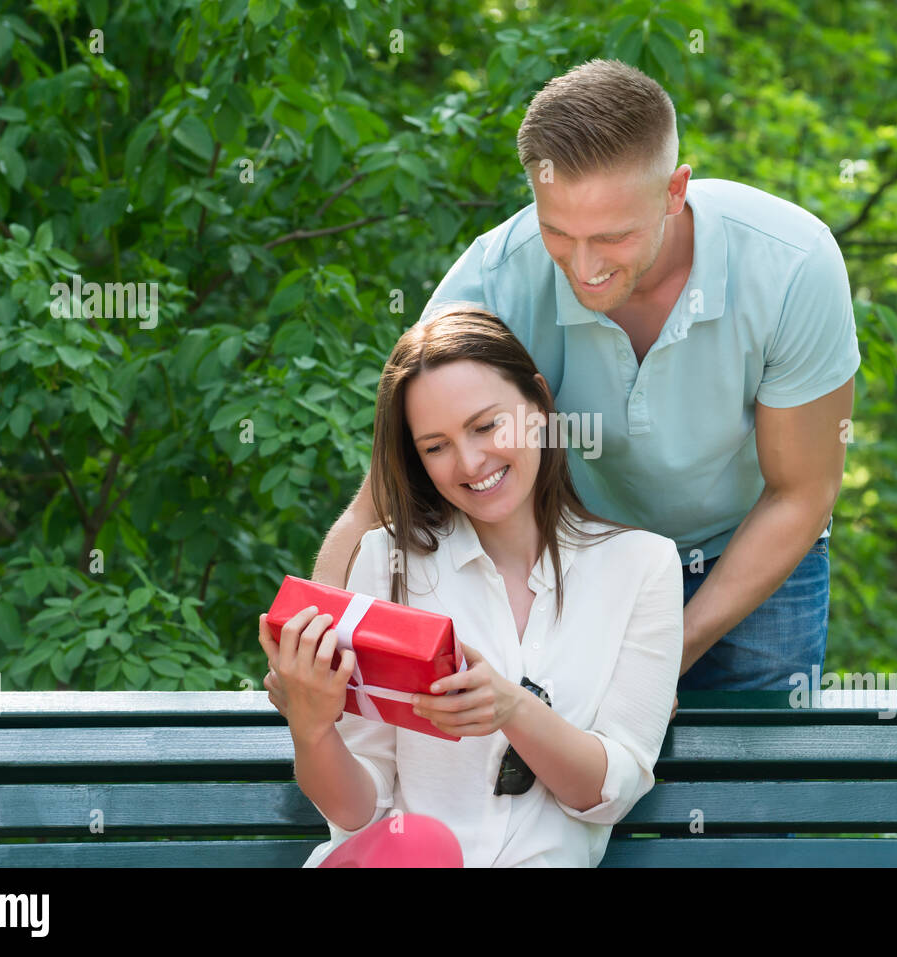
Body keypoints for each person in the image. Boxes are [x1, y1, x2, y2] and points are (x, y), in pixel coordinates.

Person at [309, 59, 858, 695]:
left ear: (675, 191)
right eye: (557, 233)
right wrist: (315, 632)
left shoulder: (794, 264)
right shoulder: (494, 282)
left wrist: (657, 658)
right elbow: (382, 502)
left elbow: (801, 492)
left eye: (613, 236)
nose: (584, 266)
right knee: (560, 782)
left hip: (753, 549)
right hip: (581, 556)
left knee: (759, 782)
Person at [257, 307, 683, 867]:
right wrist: (311, 730)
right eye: (436, 446)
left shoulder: (643, 566)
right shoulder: (388, 561)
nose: (471, 461)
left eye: (486, 426)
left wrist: (512, 709)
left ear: (536, 404)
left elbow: (608, 794)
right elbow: (361, 812)